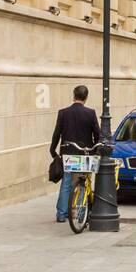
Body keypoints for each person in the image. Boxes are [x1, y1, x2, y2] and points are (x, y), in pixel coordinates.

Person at [49, 85, 102, 223]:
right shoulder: (90, 113)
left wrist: (53, 150)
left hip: (68, 153)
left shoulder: (63, 113)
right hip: (85, 153)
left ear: (74, 95)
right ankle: (80, 214)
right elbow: (97, 135)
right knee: (83, 182)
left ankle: (61, 213)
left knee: (66, 183)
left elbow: (57, 134)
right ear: (86, 97)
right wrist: (96, 150)